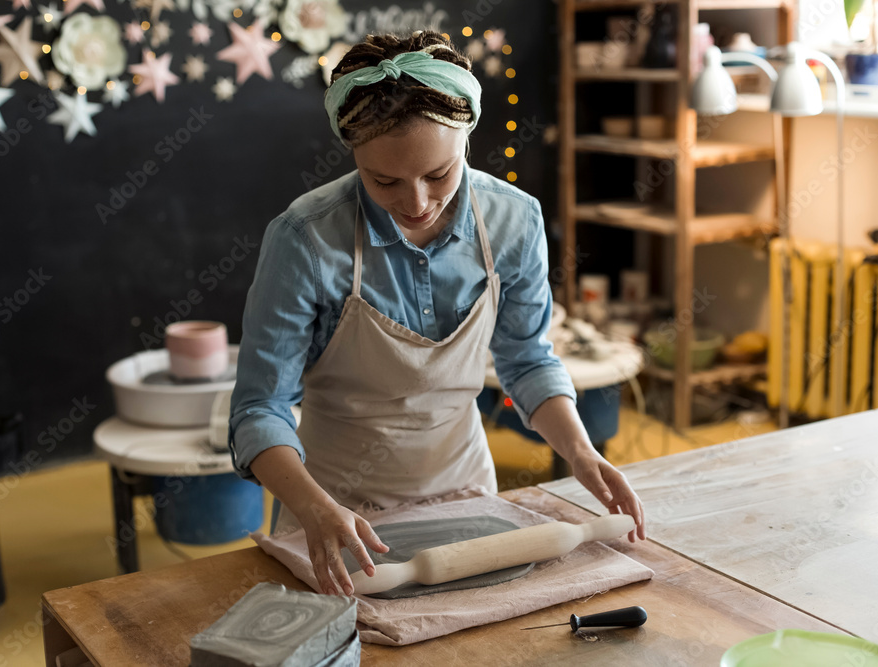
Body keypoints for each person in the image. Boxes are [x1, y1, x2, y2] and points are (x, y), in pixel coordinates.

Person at [229, 30, 645, 597]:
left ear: (468, 134)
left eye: (439, 174)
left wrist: (580, 451)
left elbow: (525, 361)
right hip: (335, 510)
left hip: (466, 493)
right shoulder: (304, 239)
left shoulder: (514, 222)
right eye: (385, 181)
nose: (418, 203)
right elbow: (260, 408)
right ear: (353, 154)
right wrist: (312, 506)